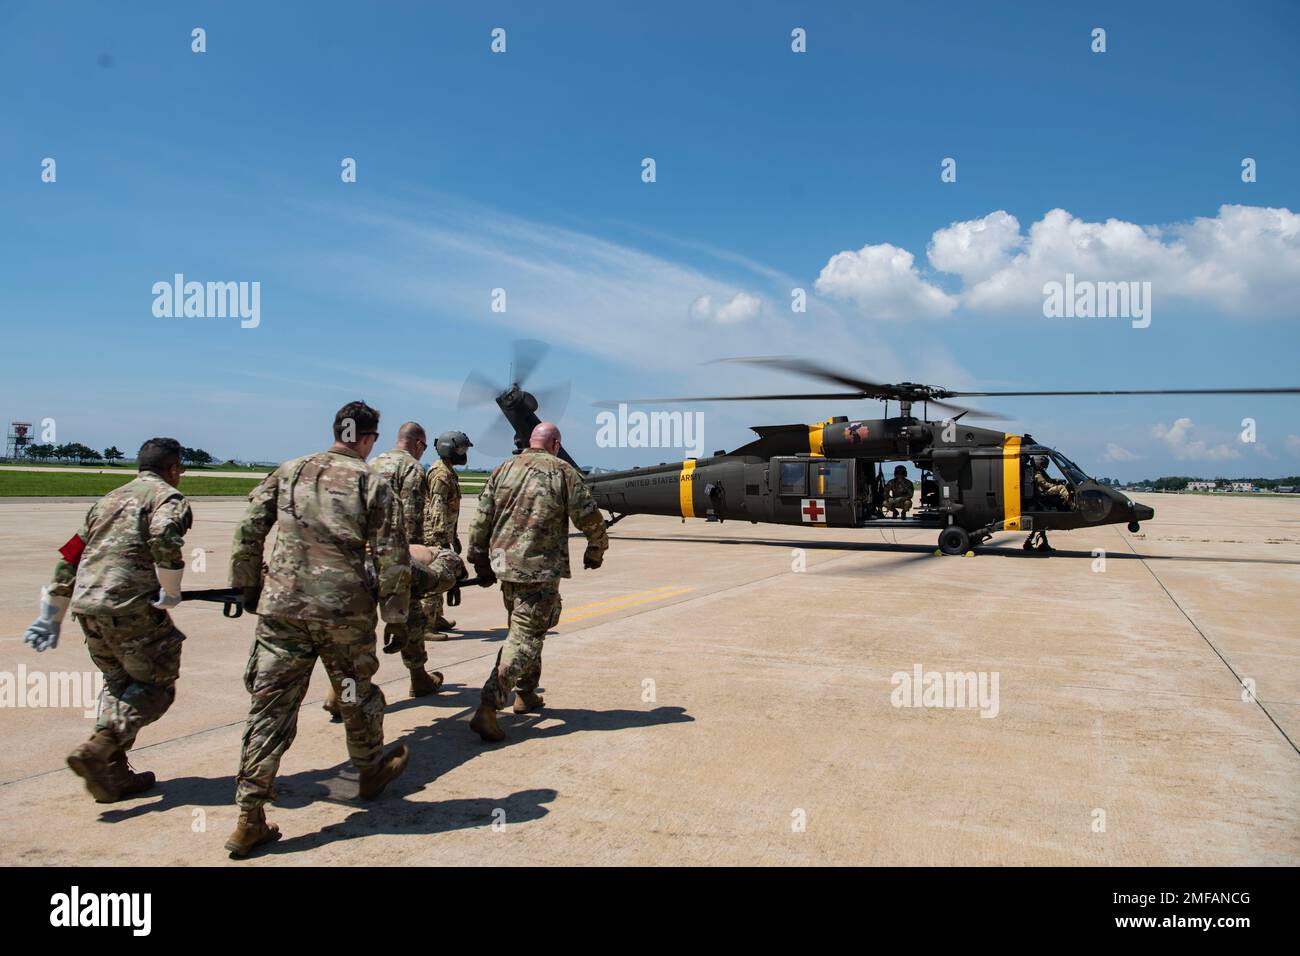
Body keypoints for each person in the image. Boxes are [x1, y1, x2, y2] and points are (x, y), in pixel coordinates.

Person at [224, 401, 411, 858]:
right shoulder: (373, 482)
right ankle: (369, 771)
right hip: (342, 613)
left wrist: (245, 586)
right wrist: (397, 616)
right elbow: (392, 556)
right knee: (353, 693)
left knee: (270, 709)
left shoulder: (290, 470)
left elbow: (249, 528)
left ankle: (249, 817)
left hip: (283, 609)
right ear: (368, 438)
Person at [22, 438, 192, 803]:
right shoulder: (166, 498)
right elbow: (164, 535)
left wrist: (51, 616)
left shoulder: (107, 501)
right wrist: (171, 587)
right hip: (130, 609)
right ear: (174, 469)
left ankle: (111, 774)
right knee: (155, 688)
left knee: (120, 687)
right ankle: (100, 748)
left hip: (89, 609)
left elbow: (70, 556)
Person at [466, 422, 608, 742]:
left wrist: (479, 562)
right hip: (538, 570)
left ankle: (526, 694)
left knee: (525, 630)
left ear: (531, 442)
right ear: (555, 444)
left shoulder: (503, 469)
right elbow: (589, 516)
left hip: (506, 568)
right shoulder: (562, 471)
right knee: (525, 637)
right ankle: (489, 706)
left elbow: (480, 519)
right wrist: (596, 549)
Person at [367, 421, 445, 696]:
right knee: (411, 616)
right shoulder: (411, 467)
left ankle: (339, 691)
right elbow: (409, 519)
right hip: (393, 556)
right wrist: (415, 558)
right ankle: (418, 677)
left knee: (359, 624)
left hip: (363, 554)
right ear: (419, 445)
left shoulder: (372, 462)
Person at [422, 430, 472, 638]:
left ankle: (436, 617)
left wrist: (454, 536)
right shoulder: (441, 474)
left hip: (442, 532)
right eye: (461, 448)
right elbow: (437, 506)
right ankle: (426, 624)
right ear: (449, 449)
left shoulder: (447, 470)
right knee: (434, 577)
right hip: (434, 534)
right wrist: (441, 537)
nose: (464, 453)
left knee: (441, 576)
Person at [1025, 456, 1072, 551]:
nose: (1044, 466)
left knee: (1040, 525)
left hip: (1045, 492)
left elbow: (1048, 481)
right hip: (1044, 494)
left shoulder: (1040, 472)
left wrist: (1057, 481)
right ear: (1039, 463)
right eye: (1043, 464)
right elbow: (1045, 484)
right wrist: (1055, 485)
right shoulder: (1037, 474)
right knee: (1061, 488)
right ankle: (1071, 505)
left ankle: (1037, 543)